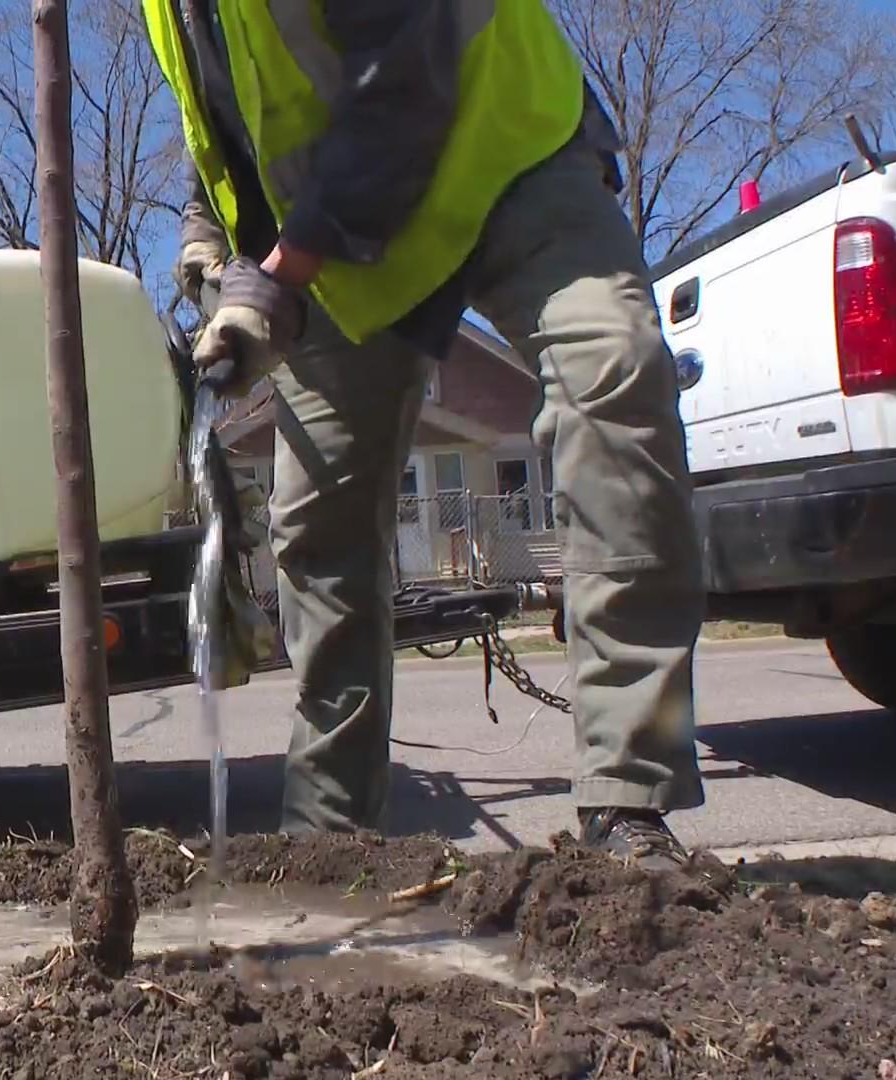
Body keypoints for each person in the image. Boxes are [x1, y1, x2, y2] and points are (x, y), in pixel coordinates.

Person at [149, 0, 706, 868]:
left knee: (614, 374)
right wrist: (210, 237)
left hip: (502, 147)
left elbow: (411, 69)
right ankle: (330, 851)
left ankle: (627, 804)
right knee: (320, 534)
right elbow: (235, 114)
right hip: (352, 229)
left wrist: (282, 276)